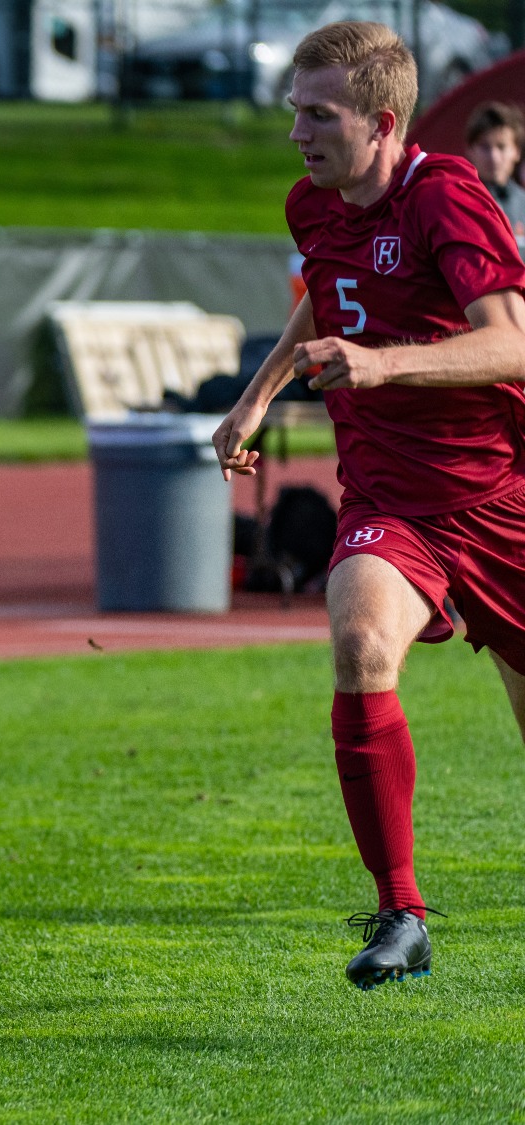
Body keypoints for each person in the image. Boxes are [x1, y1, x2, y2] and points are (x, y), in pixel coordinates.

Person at [213, 22, 525, 990]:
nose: (296, 131)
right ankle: (400, 912)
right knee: (356, 645)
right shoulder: (310, 205)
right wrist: (255, 394)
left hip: (500, 497)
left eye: (317, 114)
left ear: (380, 123)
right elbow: (323, 293)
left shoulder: (446, 195)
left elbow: (511, 343)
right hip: (389, 497)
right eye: (292, 112)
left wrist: (383, 364)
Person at [464, 101, 525, 241]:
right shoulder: (461, 200)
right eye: (485, 147)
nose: (494, 157)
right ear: (470, 150)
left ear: (516, 152)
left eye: (501, 147)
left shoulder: (523, 203)